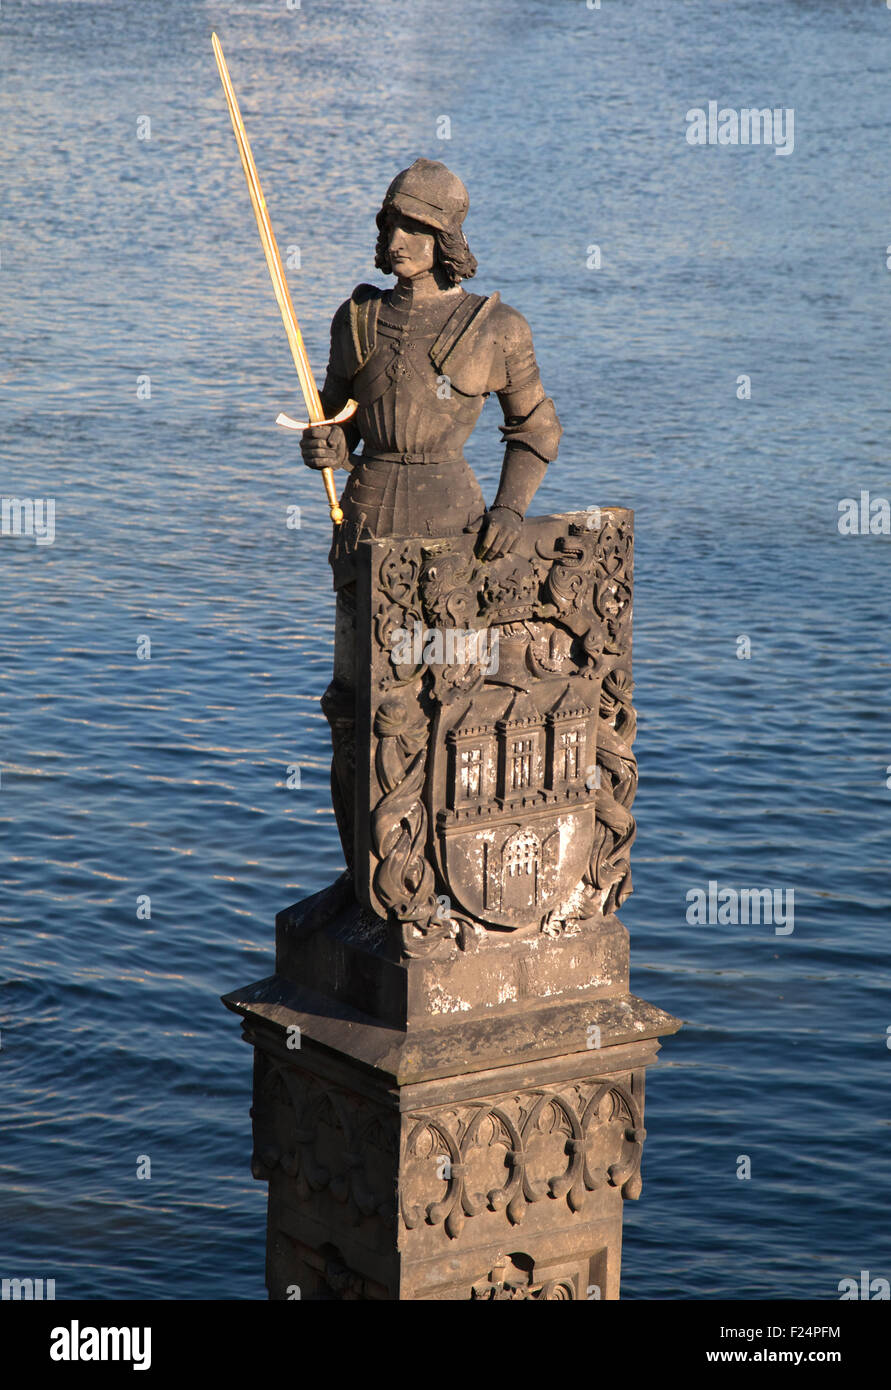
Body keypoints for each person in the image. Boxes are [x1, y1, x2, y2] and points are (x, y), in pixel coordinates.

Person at [300, 159, 562, 869]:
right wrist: (327, 441)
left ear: (446, 238)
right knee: (353, 712)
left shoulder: (496, 328)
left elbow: (537, 430)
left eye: (415, 226)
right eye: (390, 222)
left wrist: (510, 508)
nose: (397, 239)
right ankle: (366, 877)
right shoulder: (356, 319)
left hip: (452, 530)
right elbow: (339, 420)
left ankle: (439, 874)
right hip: (363, 525)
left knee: (448, 704)